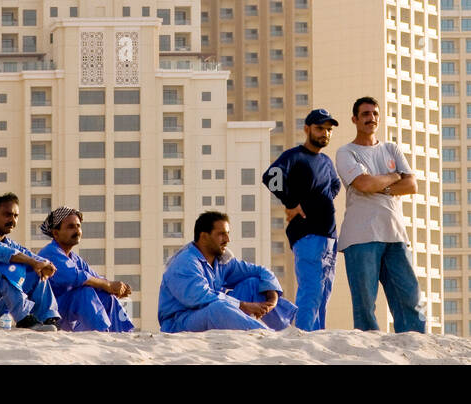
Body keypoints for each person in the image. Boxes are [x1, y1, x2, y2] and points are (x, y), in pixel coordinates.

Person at [333, 96, 427, 333]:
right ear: (355, 119)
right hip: (361, 236)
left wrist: (381, 186)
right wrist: (394, 177)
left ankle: (416, 348)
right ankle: (369, 352)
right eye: (365, 114)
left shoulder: (391, 148)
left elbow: (412, 186)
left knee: (410, 297)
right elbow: (363, 184)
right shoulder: (346, 152)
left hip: (395, 234)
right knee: (365, 304)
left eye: (375, 113)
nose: (371, 118)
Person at [263, 108, 342, 331]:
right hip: (307, 234)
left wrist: (319, 201)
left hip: (329, 235)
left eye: (328, 130)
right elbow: (270, 176)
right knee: (311, 289)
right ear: (307, 129)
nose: (325, 133)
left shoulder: (326, 161)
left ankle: (317, 335)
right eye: (319, 128)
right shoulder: (294, 156)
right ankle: (305, 336)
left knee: (325, 291)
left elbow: (334, 185)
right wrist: (291, 202)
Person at [158, 211, 296, 332]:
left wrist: (272, 297)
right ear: (204, 237)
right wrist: (244, 305)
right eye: (221, 234)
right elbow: (200, 298)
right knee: (218, 308)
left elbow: (260, 271)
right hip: (180, 322)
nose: (227, 240)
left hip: (209, 312)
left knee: (253, 284)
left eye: (228, 234)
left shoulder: (222, 260)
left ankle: (289, 328)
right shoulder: (185, 262)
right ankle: (266, 336)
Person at [0, 193, 62, 331]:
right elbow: (4, 253)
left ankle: (46, 318)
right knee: (2, 273)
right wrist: (34, 263)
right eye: (7, 215)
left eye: (15, 216)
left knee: (36, 274)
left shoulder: (7, 242)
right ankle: (23, 319)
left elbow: (28, 254)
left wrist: (45, 264)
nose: (12, 220)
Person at [35, 206, 135, 332]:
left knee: (106, 295)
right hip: (48, 317)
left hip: (66, 316)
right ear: (56, 233)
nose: (77, 230)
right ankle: (103, 334)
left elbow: (96, 278)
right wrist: (108, 284)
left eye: (78, 226)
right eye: (71, 227)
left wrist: (115, 288)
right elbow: (76, 277)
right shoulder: (50, 252)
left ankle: (123, 334)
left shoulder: (75, 258)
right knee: (84, 292)